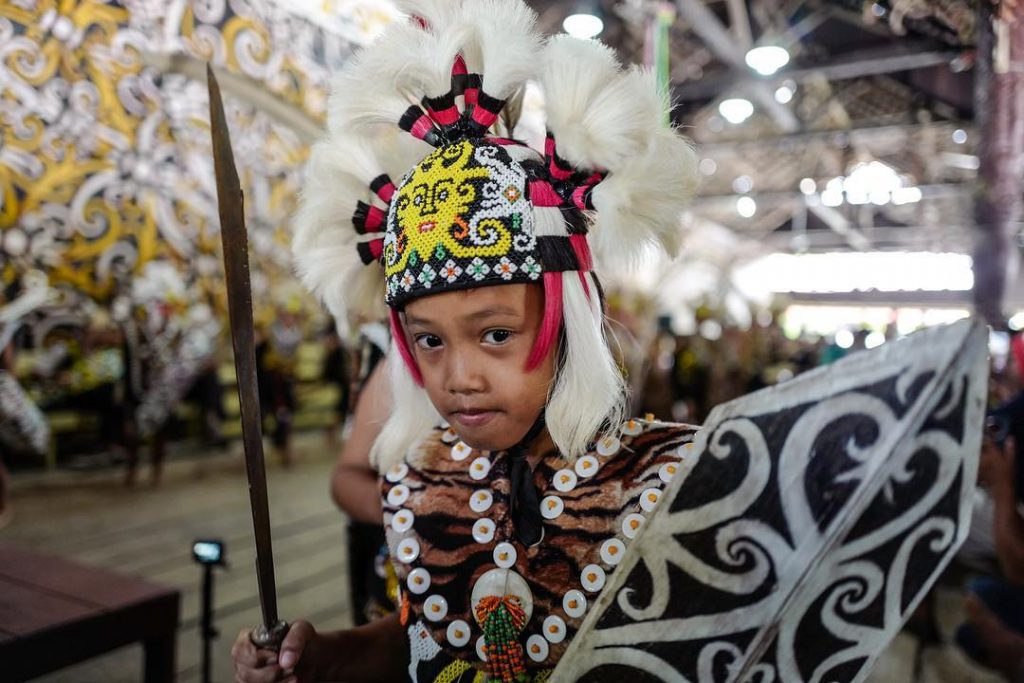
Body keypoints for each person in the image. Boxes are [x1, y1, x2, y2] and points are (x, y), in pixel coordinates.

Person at [232, 1, 698, 680]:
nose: (459, 375)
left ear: (565, 314)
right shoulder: (422, 486)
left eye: (496, 333)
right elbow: (425, 641)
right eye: (427, 341)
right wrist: (326, 656)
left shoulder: (666, 485)